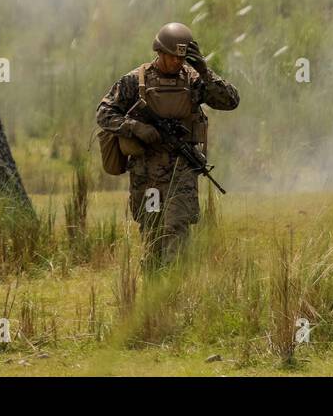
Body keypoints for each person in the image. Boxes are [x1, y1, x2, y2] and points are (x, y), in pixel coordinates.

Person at [95, 22, 240, 264]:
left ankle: (175, 292)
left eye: (182, 58)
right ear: (160, 52)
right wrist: (136, 128)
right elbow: (104, 113)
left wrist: (205, 71)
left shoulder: (194, 81)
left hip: (182, 169)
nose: (177, 63)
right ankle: (152, 287)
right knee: (152, 233)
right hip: (147, 171)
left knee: (177, 229)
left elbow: (230, 101)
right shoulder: (135, 81)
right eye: (172, 57)